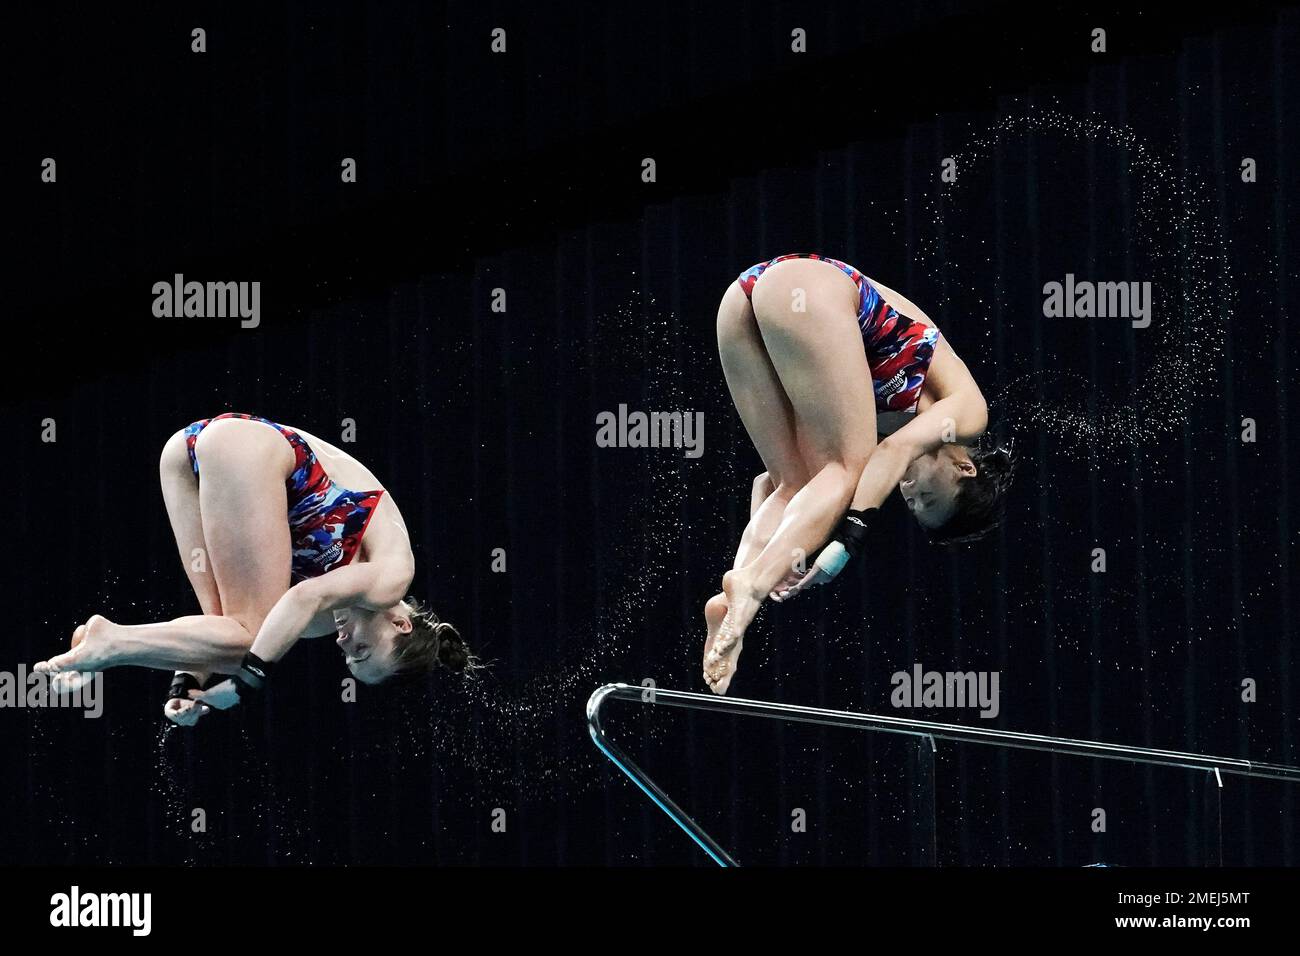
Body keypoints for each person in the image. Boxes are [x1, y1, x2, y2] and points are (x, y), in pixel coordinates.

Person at [33, 412, 471, 724]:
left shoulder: (316, 625)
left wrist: (189, 682)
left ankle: (109, 644)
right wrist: (248, 683)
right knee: (250, 649)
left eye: (347, 658)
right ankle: (111, 643)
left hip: (189, 452)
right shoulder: (391, 580)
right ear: (401, 625)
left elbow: (222, 630)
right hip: (249, 449)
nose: (343, 644)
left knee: (234, 635)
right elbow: (304, 594)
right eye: (361, 650)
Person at [702, 254, 1012, 695]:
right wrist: (845, 543)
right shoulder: (968, 414)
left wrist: (778, 552)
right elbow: (890, 452)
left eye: (915, 508)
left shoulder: (873, 417)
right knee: (847, 469)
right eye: (929, 498)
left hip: (744, 300)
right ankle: (749, 587)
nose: (910, 496)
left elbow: (770, 486)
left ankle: (733, 593)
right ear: (965, 467)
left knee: (800, 479)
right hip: (807, 287)